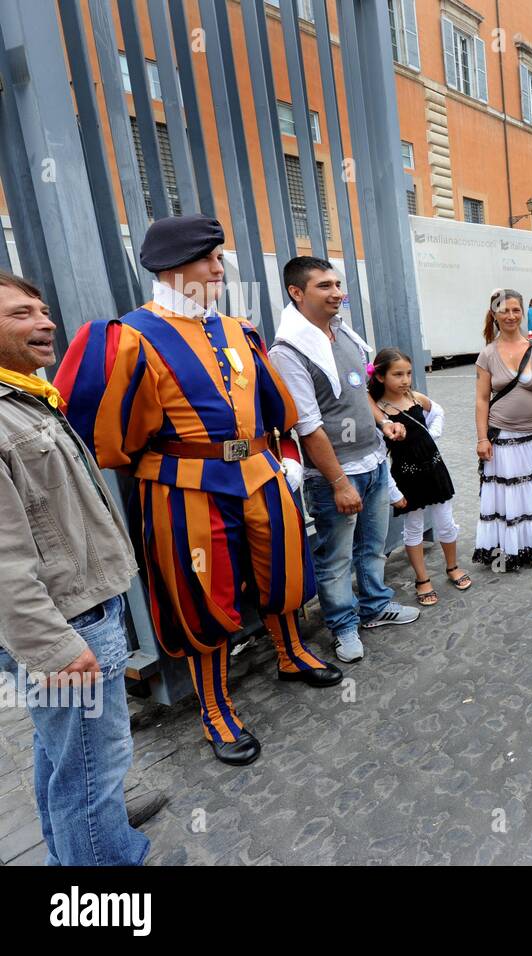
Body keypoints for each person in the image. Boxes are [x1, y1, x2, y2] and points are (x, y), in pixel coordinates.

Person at [59, 221, 343, 767]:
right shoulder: (130, 336)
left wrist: (282, 457)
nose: (219, 269)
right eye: (209, 260)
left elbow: (275, 409)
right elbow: (106, 437)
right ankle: (214, 709)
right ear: (172, 268)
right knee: (201, 598)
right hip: (185, 490)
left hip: (259, 476)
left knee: (280, 572)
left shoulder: (239, 330)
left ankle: (291, 653)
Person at [1, 270, 163, 862]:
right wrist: (55, 649)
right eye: (21, 314)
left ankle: (90, 837)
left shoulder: (24, 397)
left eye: (43, 310)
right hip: (68, 626)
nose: (45, 322)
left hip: (83, 610)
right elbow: (3, 563)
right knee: (94, 768)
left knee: (65, 756)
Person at [269, 256, 420, 669]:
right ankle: (342, 623)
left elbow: (359, 394)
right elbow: (309, 426)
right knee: (336, 558)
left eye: (337, 284)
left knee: (373, 547)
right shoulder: (289, 351)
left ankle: (374, 606)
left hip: (373, 462)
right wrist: (337, 482)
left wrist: (383, 422)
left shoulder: (344, 334)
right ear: (296, 293)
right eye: (324, 286)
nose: (337, 292)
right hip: (335, 475)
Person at [369, 348, 469, 606]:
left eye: (408, 373)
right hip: (407, 476)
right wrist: (393, 492)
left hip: (435, 470)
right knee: (412, 528)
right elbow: (379, 454)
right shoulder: (379, 412)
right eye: (397, 374)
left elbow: (439, 412)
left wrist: (431, 436)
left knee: (446, 522)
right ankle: (422, 579)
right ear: (380, 377)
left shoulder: (415, 397)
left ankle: (452, 566)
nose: (404, 380)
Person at [474, 290, 532, 571]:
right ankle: (506, 551)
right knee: (507, 493)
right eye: (504, 311)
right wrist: (481, 438)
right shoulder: (487, 355)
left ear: (522, 313)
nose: (510, 316)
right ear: (494, 315)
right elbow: (481, 400)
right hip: (502, 436)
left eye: (515, 310)